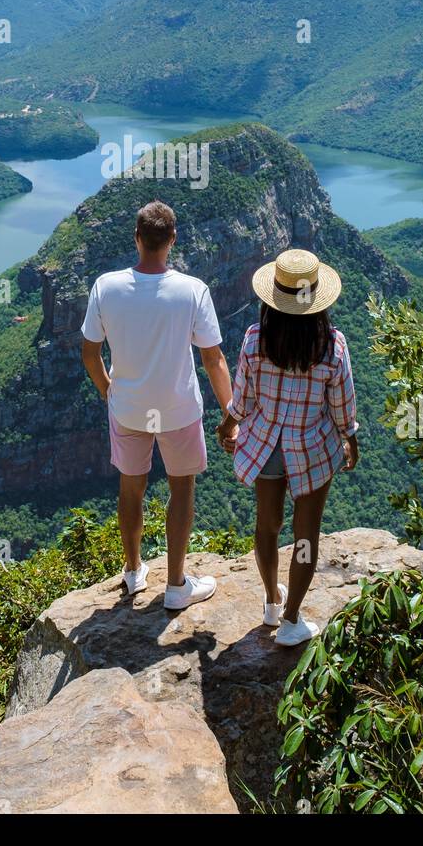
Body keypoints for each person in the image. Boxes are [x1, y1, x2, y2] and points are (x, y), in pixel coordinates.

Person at [81, 200, 234, 609]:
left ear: (137, 238)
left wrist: (108, 390)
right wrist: (231, 414)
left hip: (128, 408)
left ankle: (133, 572)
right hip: (178, 408)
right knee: (181, 488)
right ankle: (177, 585)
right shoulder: (192, 290)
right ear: (173, 239)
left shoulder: (106, 286)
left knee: (131, 487)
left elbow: (89, 352)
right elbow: (213, 358)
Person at [217, 248, 359, 647]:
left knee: (267, 525)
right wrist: (350, 440)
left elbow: (243, 400)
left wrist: (227, 426)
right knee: (305, 535)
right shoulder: (333, 346)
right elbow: (342, 407)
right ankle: (292, 619)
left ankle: (270, 600)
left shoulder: (254, 338)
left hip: (265, 447)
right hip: (311, 449)